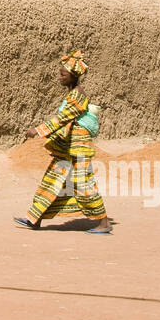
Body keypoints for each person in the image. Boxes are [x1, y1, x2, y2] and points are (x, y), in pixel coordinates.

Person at [14, 50, 112, 234]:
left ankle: (104, 223)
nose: (59, 77)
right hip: (67, 147)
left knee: (83, 184)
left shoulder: (77, 97)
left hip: (78, 148)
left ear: (73, 77)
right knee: (51, 181)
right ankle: (34, 219)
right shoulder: (72, 95)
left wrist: (38, 130)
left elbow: (62, 119)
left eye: (63, 74)